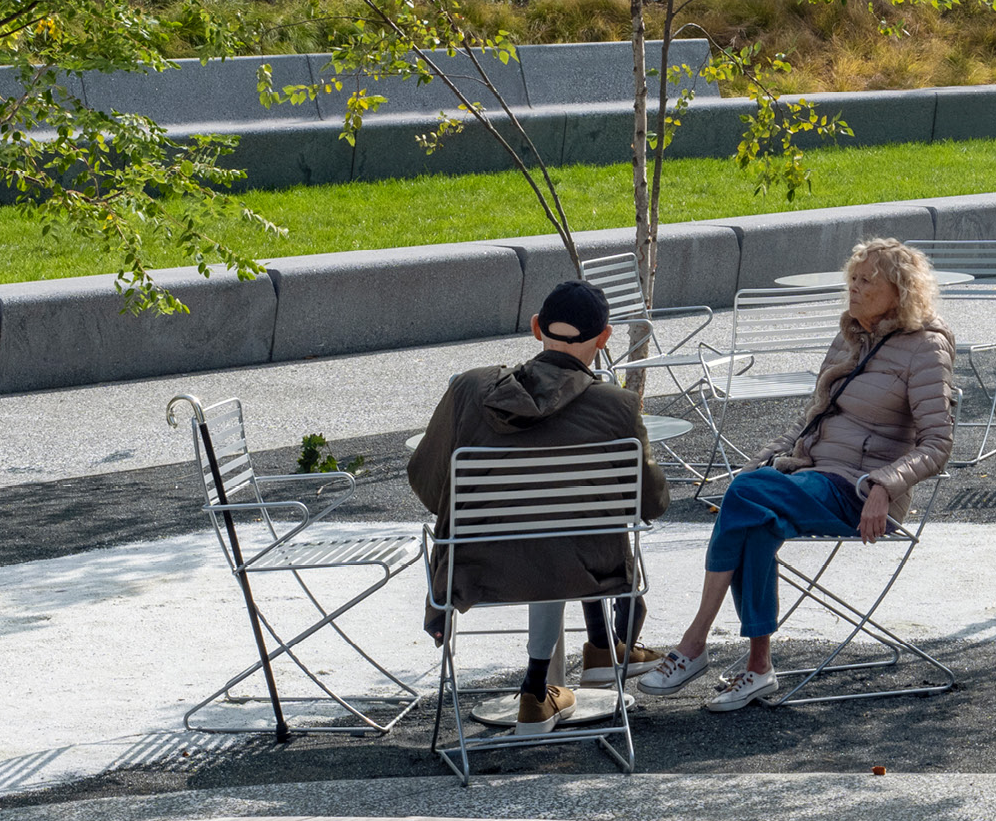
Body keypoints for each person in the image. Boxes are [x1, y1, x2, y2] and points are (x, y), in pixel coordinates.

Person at [634, 235, 952, 713]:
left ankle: (695, 641)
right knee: (754, 516)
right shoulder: (851, 336)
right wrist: (770, 456)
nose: (855, 288)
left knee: (745, 495)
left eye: (869, 281)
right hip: (813, 476)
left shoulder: (925, 348)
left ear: (901, 291)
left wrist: (886, 485)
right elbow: (814, 420)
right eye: (853, 278)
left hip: (860, 492)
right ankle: (758, 669)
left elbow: (938, 445)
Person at [403, 275, 664, 728]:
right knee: (566, 528)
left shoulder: (468, 390)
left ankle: (576, 663)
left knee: (549, 531)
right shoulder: (617, 407)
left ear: (536, 326)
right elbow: (651, 502)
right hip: (583, 572)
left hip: (476, 571)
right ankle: (578, 662)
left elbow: (426, 481)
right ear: (603, 340)